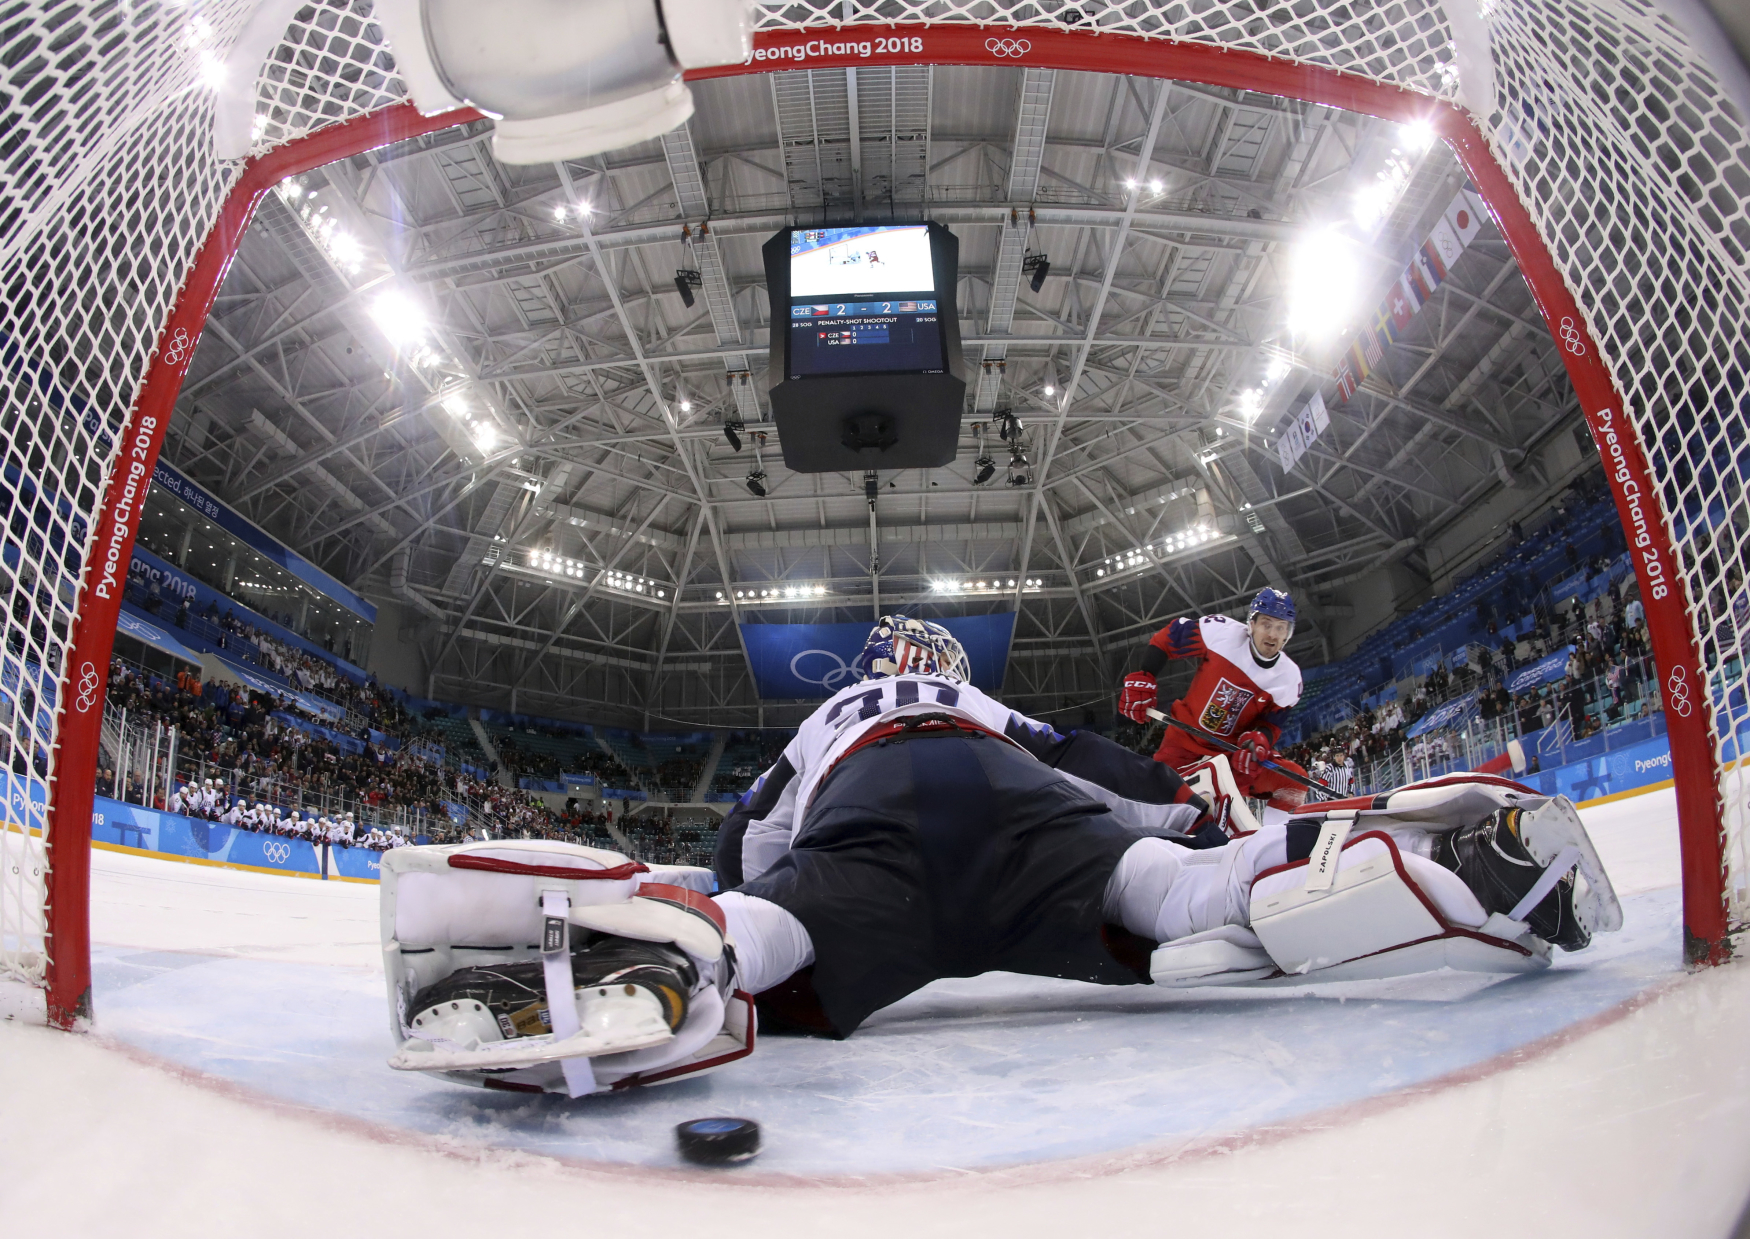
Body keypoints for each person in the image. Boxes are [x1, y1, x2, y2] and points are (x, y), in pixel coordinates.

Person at [379, 615, 1622, 1097]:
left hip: (879, 822)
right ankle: (1452, 852)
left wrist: (743, 894)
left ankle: (638, 965)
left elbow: (744, 837)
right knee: (1184, 895)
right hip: (1020, 811)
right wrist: (1185, 813)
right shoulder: (975, 705)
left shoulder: (826, 717)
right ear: (944, 670)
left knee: (777, 929)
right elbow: (1085, 757)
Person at [1117, 588, 1310, 824]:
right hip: (1183, 747)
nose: (1272, 634)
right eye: (1266, 624)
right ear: (1252, 624)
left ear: (1287, 634)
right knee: (1149, 810)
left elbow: (1272, 723)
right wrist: (1145, 674)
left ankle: (1273, 843)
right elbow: (1168, 638)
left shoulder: (1289, 678)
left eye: (1280, 627)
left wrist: (1258, 740)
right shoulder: (1221, 633)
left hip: (1233, 759)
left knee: (1295, 782)